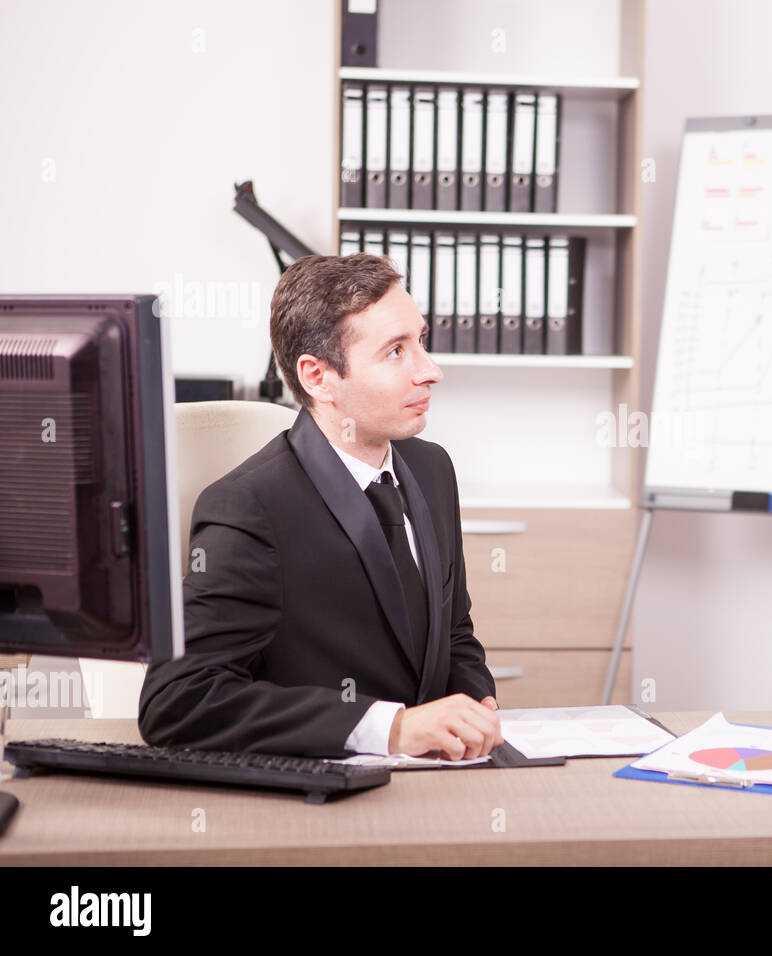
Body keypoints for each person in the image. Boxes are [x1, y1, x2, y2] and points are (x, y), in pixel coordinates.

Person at [139, 254, 503, 761]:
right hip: (322, 798)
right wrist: (390, 729)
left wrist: (474, 701)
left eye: (420, 341)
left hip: (438, 783)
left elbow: (454, 631)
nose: (431, 370)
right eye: (396, 352)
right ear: (318, 377)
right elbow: (178, 701)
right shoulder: (250, 507)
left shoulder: (432, 469)